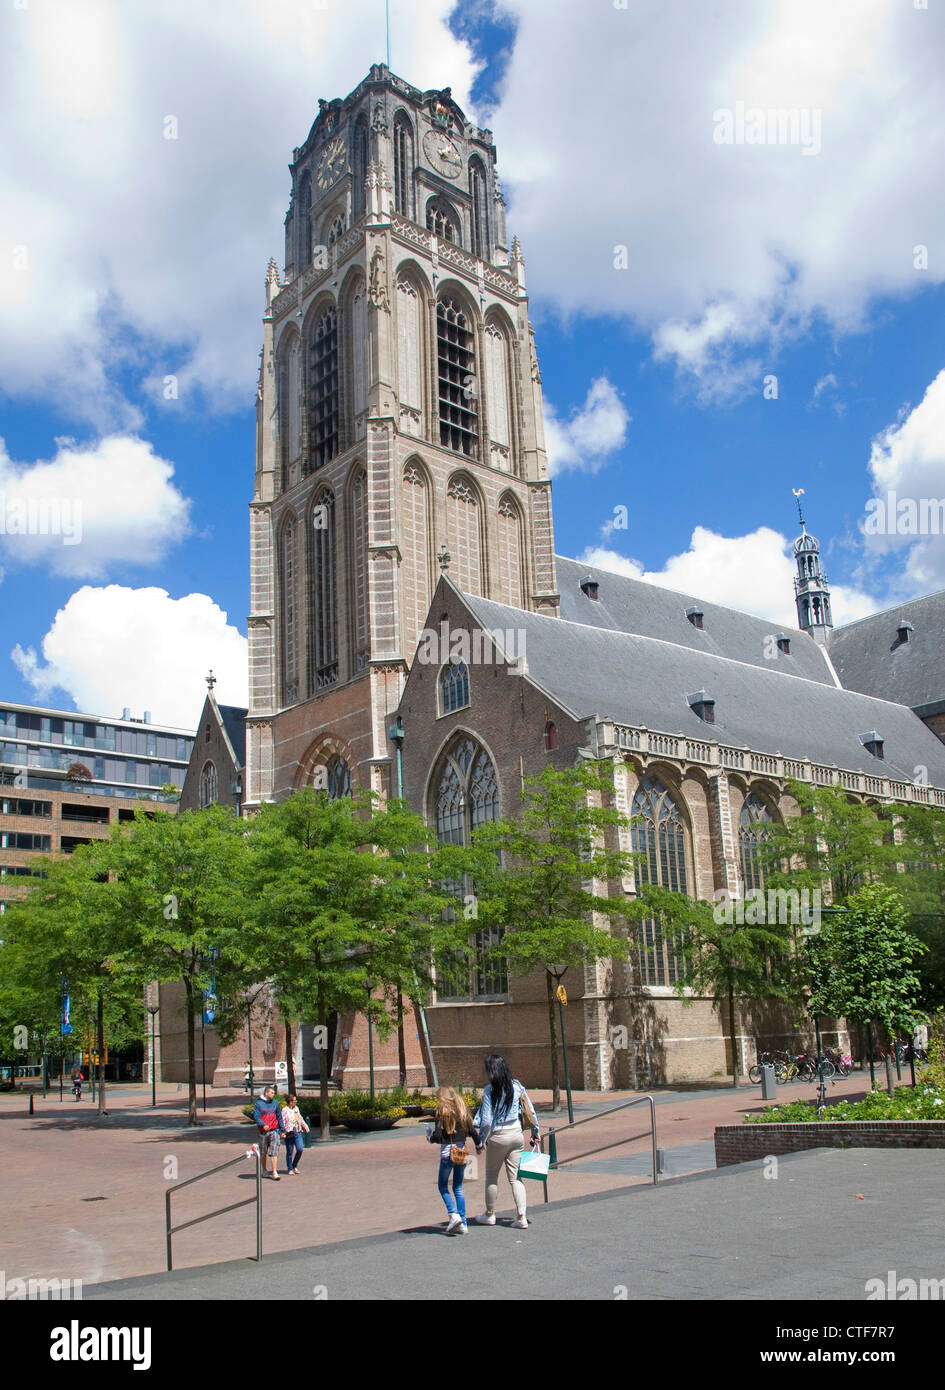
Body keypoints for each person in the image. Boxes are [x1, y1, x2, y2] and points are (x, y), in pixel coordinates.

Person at [473, 1054, 540, 1229]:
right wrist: (535, 1131)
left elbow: (486, 1121)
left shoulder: (489, 1090)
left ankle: (490, 1214)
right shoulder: (517, 1086)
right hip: (516, 1134)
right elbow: (530, 1110)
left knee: (491, 1177)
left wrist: (481, 1141)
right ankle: (521, 1216)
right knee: (516, 1178)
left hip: (498, 1136)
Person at [427, 1086, 480, 1235]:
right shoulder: (461, 1112)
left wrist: (429, 1138)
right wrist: (479, 1145)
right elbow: (472, 1131)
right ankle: (463, 1222)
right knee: (458, 1187)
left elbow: (437, 1137)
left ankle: (453, 1214)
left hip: (447, 1154)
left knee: (443, 1186)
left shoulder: (442, 1113)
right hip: (461, 1153)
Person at [253, 1085, 284, 1179]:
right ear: (266, 1093)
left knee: (274, 1151)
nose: (273, 1094)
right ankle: (264, 1170)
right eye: (272, 1093)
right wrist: (263, 1125)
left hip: (274, 1130)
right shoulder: (258, 1104)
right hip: (263, 1132)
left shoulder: (275, 1103)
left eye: (274, 1093)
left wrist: (282, 1130)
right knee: (263, 1152)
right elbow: (257, 1117)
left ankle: (274, 1171)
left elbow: (279, 1117)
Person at [281, 1093, 310, 1175]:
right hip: (289, 1132)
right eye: (294, 1100)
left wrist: (305, 1126)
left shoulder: (296, 1109)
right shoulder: (284, 1110)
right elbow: (282, 1122)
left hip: (297, 1131)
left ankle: (294, 1165)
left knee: (300, 1149)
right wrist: (282, 1132)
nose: (296, 1101)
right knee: (289, 1151)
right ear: (290, 1102)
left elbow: (300, 1118)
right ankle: (290, 1168)